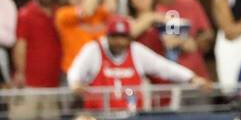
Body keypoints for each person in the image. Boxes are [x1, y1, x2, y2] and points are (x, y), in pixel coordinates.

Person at [67, 15, 204, 111]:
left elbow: (164, 67)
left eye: (123, 37)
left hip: (131, 116)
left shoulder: (136, 51)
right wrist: (75, 83)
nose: (119, 41)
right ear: (107, 36)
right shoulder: (94, 49)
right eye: (115, 37)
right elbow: (76, 69)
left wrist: (191, 77)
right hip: (100, 117)